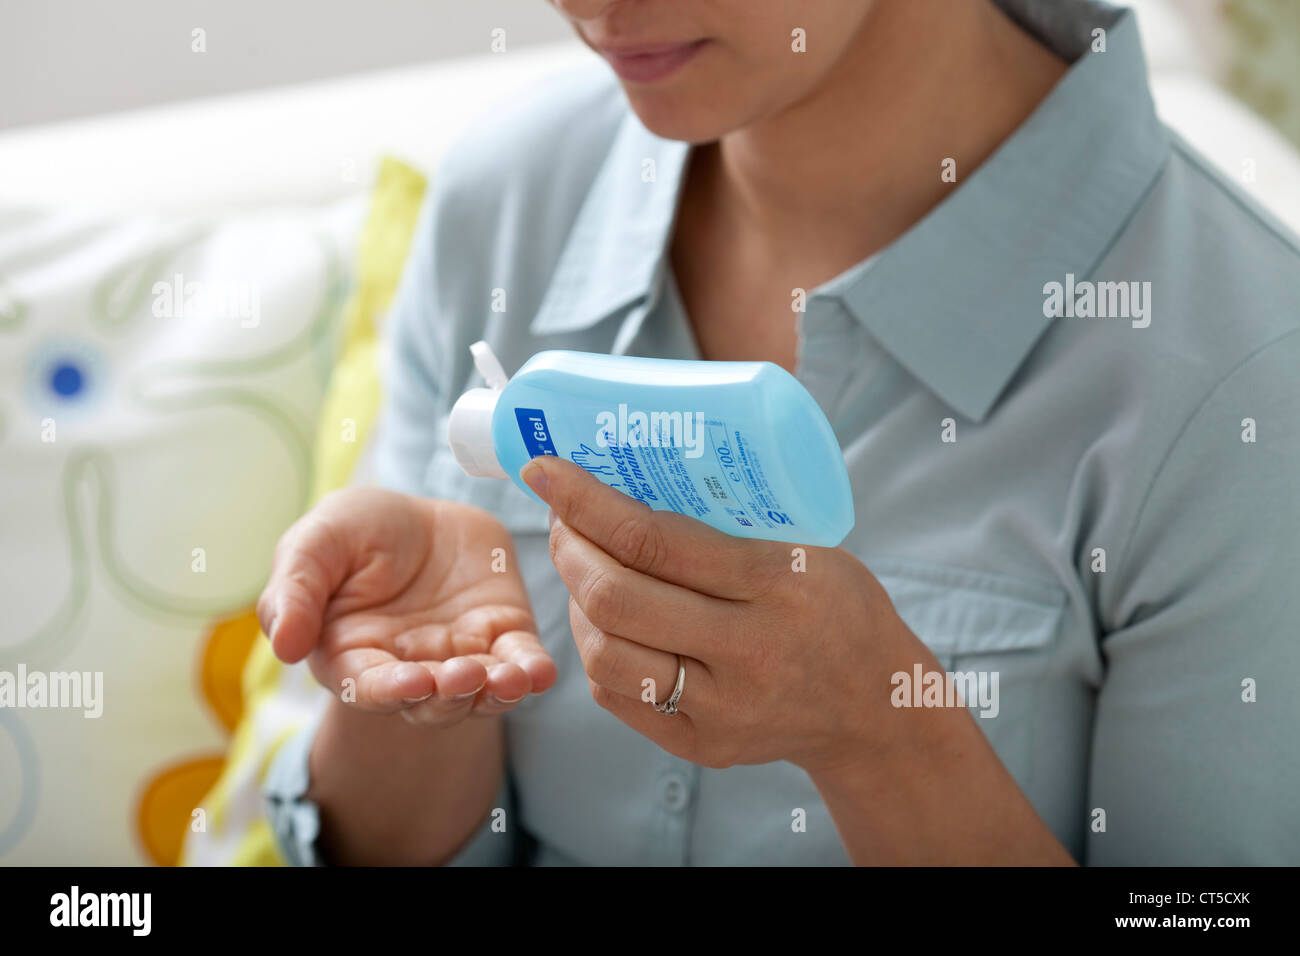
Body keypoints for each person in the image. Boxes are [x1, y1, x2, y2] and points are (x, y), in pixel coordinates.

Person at [258, 0, 1300, 865]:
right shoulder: (510, 199)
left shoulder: (1241, 375)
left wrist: (882, 740)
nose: (598, 12)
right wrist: (418, 697)